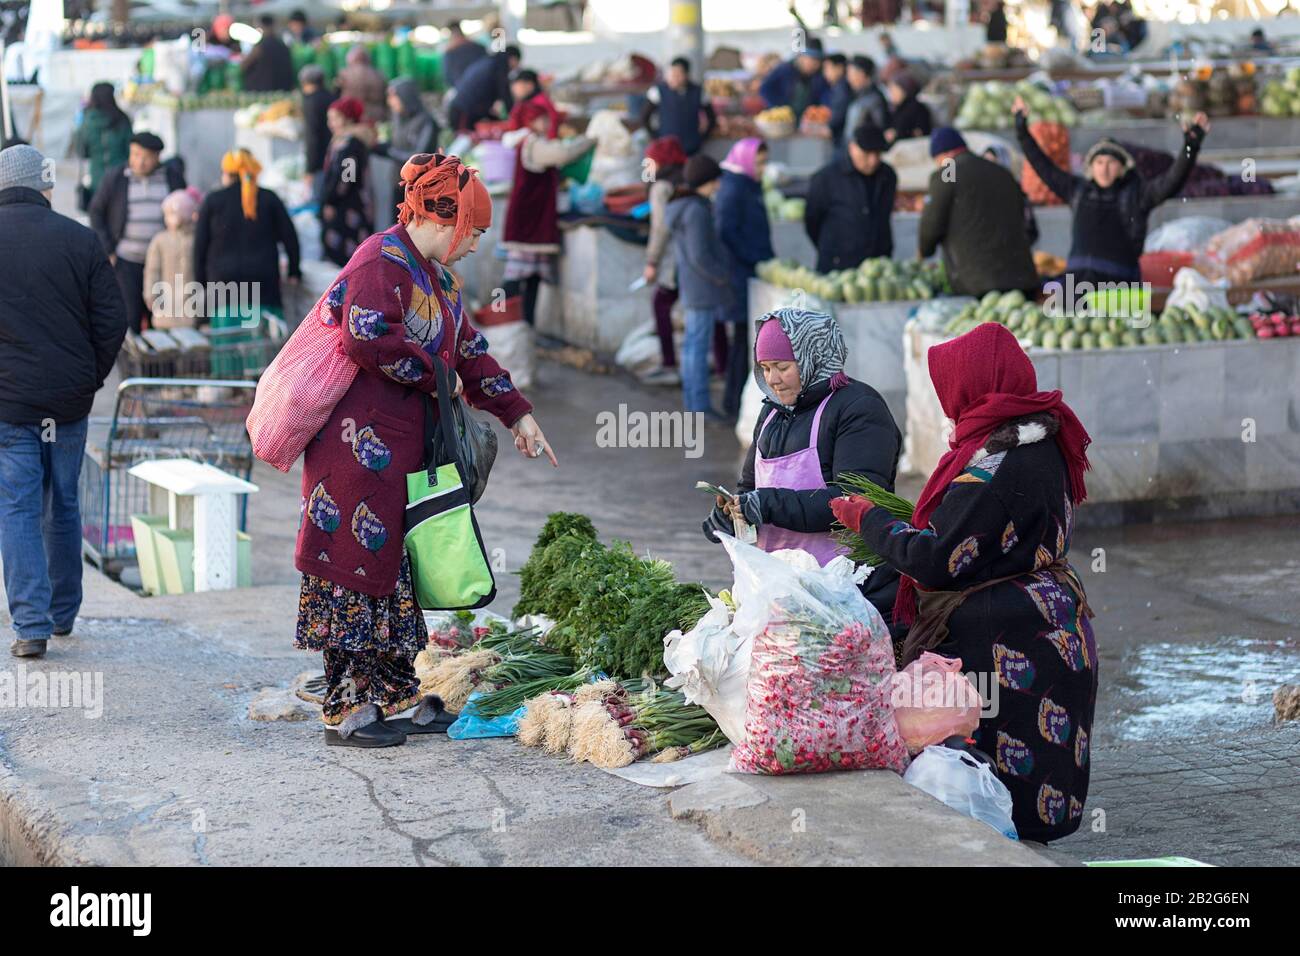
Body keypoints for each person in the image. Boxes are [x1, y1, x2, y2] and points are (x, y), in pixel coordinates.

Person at [296, 151, 555, 747]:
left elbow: (469, 350)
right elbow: (367, 338)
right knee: (355, 567)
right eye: (475, 233)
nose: (474, 246)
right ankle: (344, 706)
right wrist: (435, 370)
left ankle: (393, 691)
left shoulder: (435, 279)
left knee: (396, 568)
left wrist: (518, 414)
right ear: (447, 220)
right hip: (356, 452)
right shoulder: (379, 261)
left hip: (406, 451)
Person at [830, 322, 1097, 842]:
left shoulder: (994, 462)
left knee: (1000, 796)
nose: (947, 401)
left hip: (1007, 641)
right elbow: (983, 536)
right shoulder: (1042, 434)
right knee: (1037, 783)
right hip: (1056, 625)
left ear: (973, 383)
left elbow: (935, 559)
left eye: (948, 387)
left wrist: (870, 520)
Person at [0, 145, 127, 660]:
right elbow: (112, 321)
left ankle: (31, 625)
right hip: (68, 403)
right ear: (43, 187)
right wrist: (88, 378)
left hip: (10, 403)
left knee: (17, 505)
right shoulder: (80, 239)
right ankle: (63, 612)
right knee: (65, 503)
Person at [703, 307, 904, 629]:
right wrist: (730, 517)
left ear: (813, 357)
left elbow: (856, 500)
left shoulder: (859, 408)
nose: (773, 379)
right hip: (782, 591)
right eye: (765, 368)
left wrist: (768, 505)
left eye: (783, 367)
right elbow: (748, 489)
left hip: (848, 591)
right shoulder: (772, 414)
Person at [1014, 97, 1209, 284]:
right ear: (1091, 167)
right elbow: (1043, 166)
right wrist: (1022, 130)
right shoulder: (1077, 191)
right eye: (1099, 162)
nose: (1104, 168)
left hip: (1119, 286)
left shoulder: (1138, 195)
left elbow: (1173, 179)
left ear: (1122, 168)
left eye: (1111, 162)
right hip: (1078, 284)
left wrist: (1191, 147)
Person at [500, 94, 595, 327]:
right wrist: (588, 141)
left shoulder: (531, 141)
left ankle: (525, 327)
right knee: (515, 279)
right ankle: (499, 322)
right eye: (542, 120)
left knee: (532, 277)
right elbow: (562, 155)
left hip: (532, 219)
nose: (547, 124)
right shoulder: (533, 143)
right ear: (531, 122)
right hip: (529, 220)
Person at [919, 127, 1038, 298]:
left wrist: (925, 250)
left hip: (978, 283)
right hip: (1021, 278)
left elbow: (931, 224)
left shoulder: (949, 170)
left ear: (943, 155)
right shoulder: (1001, 172)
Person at [89, 131, 187, 333]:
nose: (139, 162)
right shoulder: (116, 178)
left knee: (161, 318)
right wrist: (109, 250)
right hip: (127, 261)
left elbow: (185, 208)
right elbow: (96, 211)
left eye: (145, 157)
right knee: (128, 317)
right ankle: (132, 363)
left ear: (157, 157)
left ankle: (158, 363)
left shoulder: (172, 178)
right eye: (135, 155)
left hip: (164, 263)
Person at [194, 150, 301, 327]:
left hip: (224, 286)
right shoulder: (269, 199)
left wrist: (200, 282)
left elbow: (199, 247)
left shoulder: (213, 201)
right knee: (263, 346)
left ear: (227, 174)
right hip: (263, 284)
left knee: (228, 346)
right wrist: (294, 271)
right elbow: (290, 237)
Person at [666, 154, 732, 418]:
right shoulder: (695, 211)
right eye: (714, 180)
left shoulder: (684, 206)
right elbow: (700, 255)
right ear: (705, 181)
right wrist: (721, 275)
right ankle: (700, 406)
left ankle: (693, 403)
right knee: (697, 346)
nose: (717, 186)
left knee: (693, 345)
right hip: (701, 287)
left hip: (692, 285)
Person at [715, 138, 774, 418]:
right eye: (759, 162)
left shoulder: (748, 184)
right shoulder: (734, 188)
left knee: (743, 340)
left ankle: (734, 400)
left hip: (749, 269)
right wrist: (753, 256)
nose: (763, 168)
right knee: (741, 340)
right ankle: (732, 402)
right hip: (738, 274)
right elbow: (726, 231)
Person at [805, 123, 896, 274]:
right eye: (867, 154)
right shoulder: (826, 178)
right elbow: (812, 220)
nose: (873, 161)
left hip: (878, 266)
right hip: (837, 266)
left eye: (878, 154)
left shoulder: (888, 176)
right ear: (852, 148)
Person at [641, 135, 689, 386]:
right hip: (693, 257)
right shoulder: (688, 177)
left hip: (673, 260)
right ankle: (721, 367)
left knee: (661, 304)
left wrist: (651, 261)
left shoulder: (661, 187)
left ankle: (669, 364)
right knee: (706, 312)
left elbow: (660, 228)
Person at [318, 97, 375, 267]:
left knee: (348, 257)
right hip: (342, 204)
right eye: (330, 119)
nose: (330, 123)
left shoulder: (351, 145)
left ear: (347, 119)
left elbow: (346, 179)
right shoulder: (340, 141)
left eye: (335, 119)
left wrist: (330, 200)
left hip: (349, 207)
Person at [376, 78, 440, 211]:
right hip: (398, 183)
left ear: (405, 97)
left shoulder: (426, 122)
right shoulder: (398, 118)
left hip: (419, 187)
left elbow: (419, 157)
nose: (390, 102)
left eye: (393, 97)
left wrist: (389, 151)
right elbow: (397, 143)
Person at [143, 188, 201, 329]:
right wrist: (151, 295)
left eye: (171, 214)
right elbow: (152, 270)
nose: (168, 218)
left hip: (192, 306)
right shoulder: (160, 240)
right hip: (165, 308)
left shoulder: (196, 239)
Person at [639, 56, 716, 157]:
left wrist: (702, 137)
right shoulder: (657, 91)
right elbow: (644, 117)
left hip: (691, 148)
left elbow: (712, 118)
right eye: (671, 74)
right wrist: (655, 137)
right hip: (666, 148)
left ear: (687, 75)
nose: (673, 78)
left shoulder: (699, 92)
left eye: (677, 75)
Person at [74, 82, 131, 209]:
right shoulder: (122, 119)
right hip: (120, 177)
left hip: (96, 177)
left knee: (97, 214)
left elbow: (82, 152)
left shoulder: (87, 121)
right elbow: (130, 151)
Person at [447, 45, 521, 131]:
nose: (515, 67)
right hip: (463, 111)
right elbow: (505, 93)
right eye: (517, 62)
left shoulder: (489, 61)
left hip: (463, 109)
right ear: (513, 59)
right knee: (464, 138)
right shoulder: (499, 66)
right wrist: (514, 118)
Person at [759, 37, 829, 114]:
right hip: (782, 118)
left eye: (818, 62)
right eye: (812, 60)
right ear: (802, 57)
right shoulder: (784, 69)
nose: (815, 65)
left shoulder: (818, 77)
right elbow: (765, 88)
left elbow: (823, 98)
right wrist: (778, 108)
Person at [841, 56, 890, 154]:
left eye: (851, 74)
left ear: (862, 74)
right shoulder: (858, 95)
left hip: (865, 153)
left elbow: (879, 127)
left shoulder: (874, 98)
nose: (848, 78)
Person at [299, 65, 334, 196]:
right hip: (332, 155)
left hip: (319, 161)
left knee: (319, 198)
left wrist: (310, 169)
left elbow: (312, 136)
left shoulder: (311, 102)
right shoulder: (330, 96)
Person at [241, 15, 296, 93]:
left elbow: (244, 65)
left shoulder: (260, 48)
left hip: (261, 92)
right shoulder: (283, 47)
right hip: (282, 91)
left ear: (262, 27)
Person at [337, 45, 387, 122]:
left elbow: (337, 91)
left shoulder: (344, 73)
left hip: (353, 115)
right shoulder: (379, 74)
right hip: (377, 115)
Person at [884, 72, 932, 144]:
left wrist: (897, 134)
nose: (891, 93)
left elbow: (920, 133)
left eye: (894, 89)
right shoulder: (897, 108)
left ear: (904, 90)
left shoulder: (917, 109)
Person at [441, 20, 487, 89]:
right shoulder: (479, 47)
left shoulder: (450, 52)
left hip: (462, 89)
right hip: (483, 87)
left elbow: (448, 77)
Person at [823, 53, 853, 145]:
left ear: (839, 68)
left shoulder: (841, 89)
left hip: (840, 138)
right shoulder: (838, 87)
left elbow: (837, 116)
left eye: (827, 68)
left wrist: (829, 127)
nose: (825, 72)